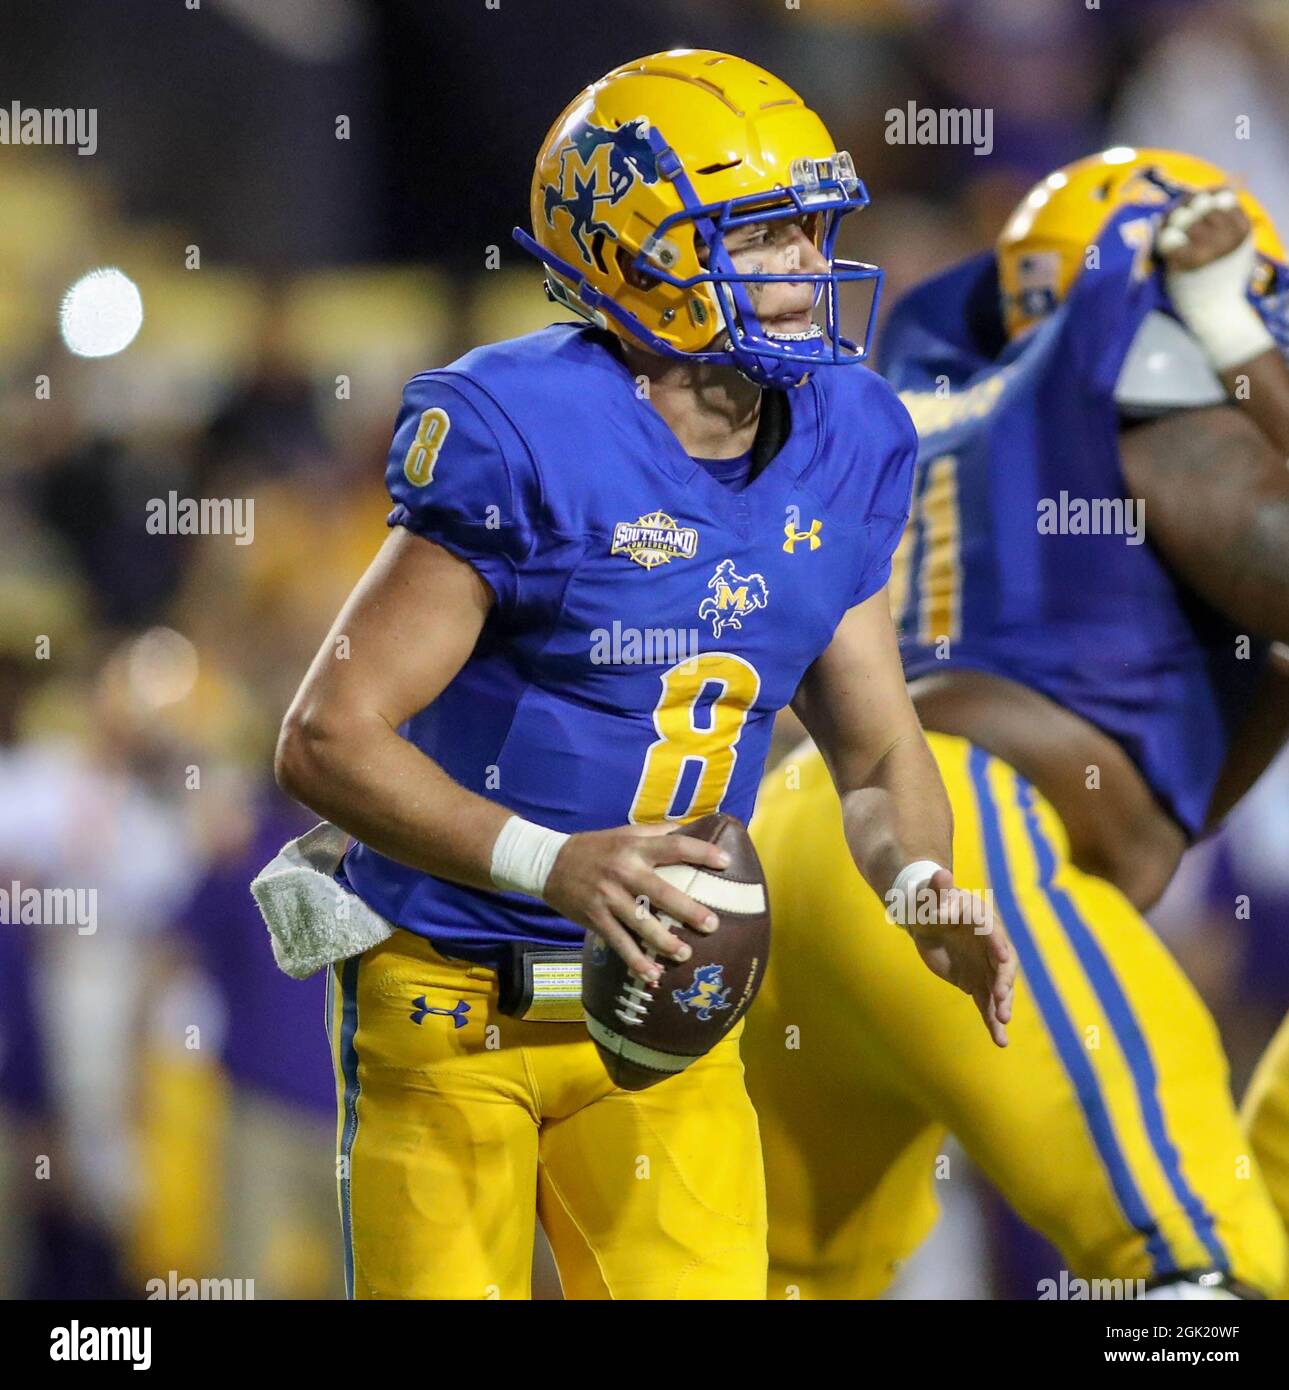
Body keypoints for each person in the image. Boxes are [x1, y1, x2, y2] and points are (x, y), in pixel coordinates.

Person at [272, 48, 1013, 1300]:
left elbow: (880, 748)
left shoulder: (851, 437)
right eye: (761, 235)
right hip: (451, 999)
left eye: (807, 228)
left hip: (672, 1008)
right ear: (632, 256)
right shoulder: (525, 430)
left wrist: (920, 880)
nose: (803, 267)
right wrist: (551, 861)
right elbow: (325, 736)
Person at [742, 149, 1289, 1300]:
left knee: (770, 1278)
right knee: (1196, 1275)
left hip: (815, 837)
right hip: (963, 837)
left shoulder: (957, 391)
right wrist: (1239, 349)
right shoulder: (1158, 379)